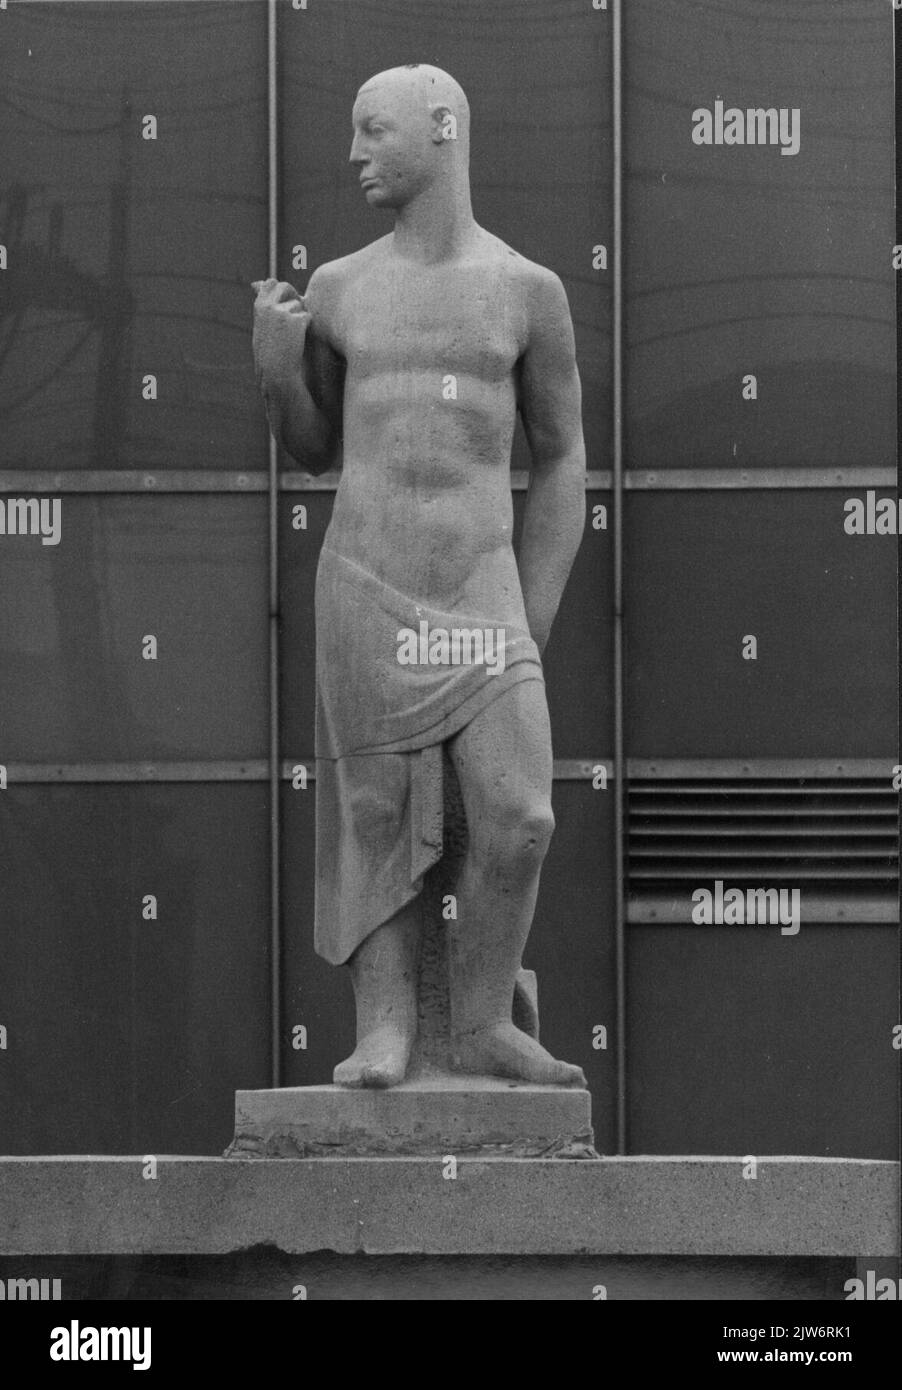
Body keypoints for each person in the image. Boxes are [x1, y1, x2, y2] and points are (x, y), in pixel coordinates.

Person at [253, 64, 586, 1089]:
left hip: (481, 593)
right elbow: (314, 449)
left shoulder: (527, 292)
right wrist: (275, 367)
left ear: (440, 131)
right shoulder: (343, 288)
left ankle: (482, 1018)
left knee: (518, 815)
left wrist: (526, 614)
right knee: (374, 813)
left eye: (371, 133)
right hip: (366, 578)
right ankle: (388, 1028)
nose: (354, 156)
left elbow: (562, 456)